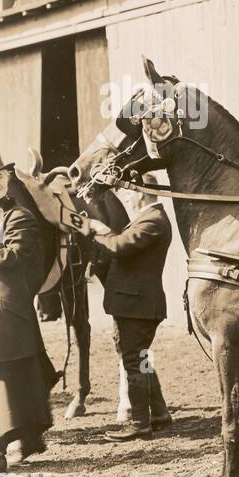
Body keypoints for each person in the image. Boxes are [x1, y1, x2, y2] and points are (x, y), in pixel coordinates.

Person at [0, 150, 58, 473]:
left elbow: (14, 258)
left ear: (8, 179)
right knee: (13, 377)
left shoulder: (20, 216)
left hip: (5, 309)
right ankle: (24, 438)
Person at [85, 174, 173, 441]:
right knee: (143, 359)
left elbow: (119, 247)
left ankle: (139, 423)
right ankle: (158, 413)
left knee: (133, 362)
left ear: (142, 193)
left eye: (128, 191)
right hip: (139, 304)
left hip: (136, 305)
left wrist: (98, 231)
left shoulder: (152, 220)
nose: (124, 196)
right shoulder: (149, 218)